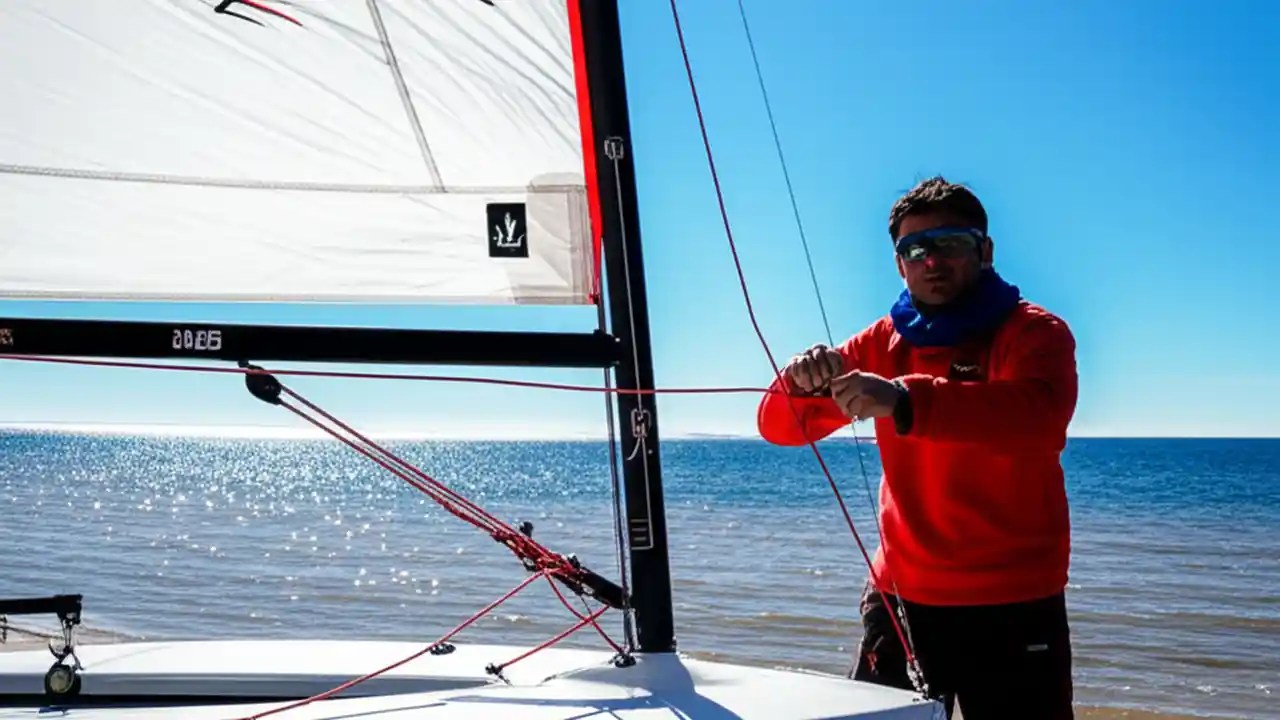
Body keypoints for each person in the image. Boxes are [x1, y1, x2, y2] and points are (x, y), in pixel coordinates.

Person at [757, 176, 1078, 719]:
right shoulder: (882, 342)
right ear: (900, 264)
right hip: (901, 601)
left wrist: (906, 401)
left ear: (984, 250)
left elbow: (1037, 419)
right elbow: (780, 426)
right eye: (915, 249)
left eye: (949, 243)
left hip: (1015, 604)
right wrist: (797, 380)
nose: (932, 261)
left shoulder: (1034, 333)